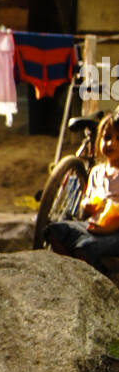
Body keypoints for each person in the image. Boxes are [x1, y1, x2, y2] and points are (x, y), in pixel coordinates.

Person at [45, 109, 119, 275]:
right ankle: (73, 274)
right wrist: (87, 205)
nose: (110, 144)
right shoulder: (96, 172)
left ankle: (101, 280)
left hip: (115, 232)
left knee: (84, 247)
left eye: (118, 139)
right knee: (54, 230)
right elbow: (87, 201)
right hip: (93, 226)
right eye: (107, 138)